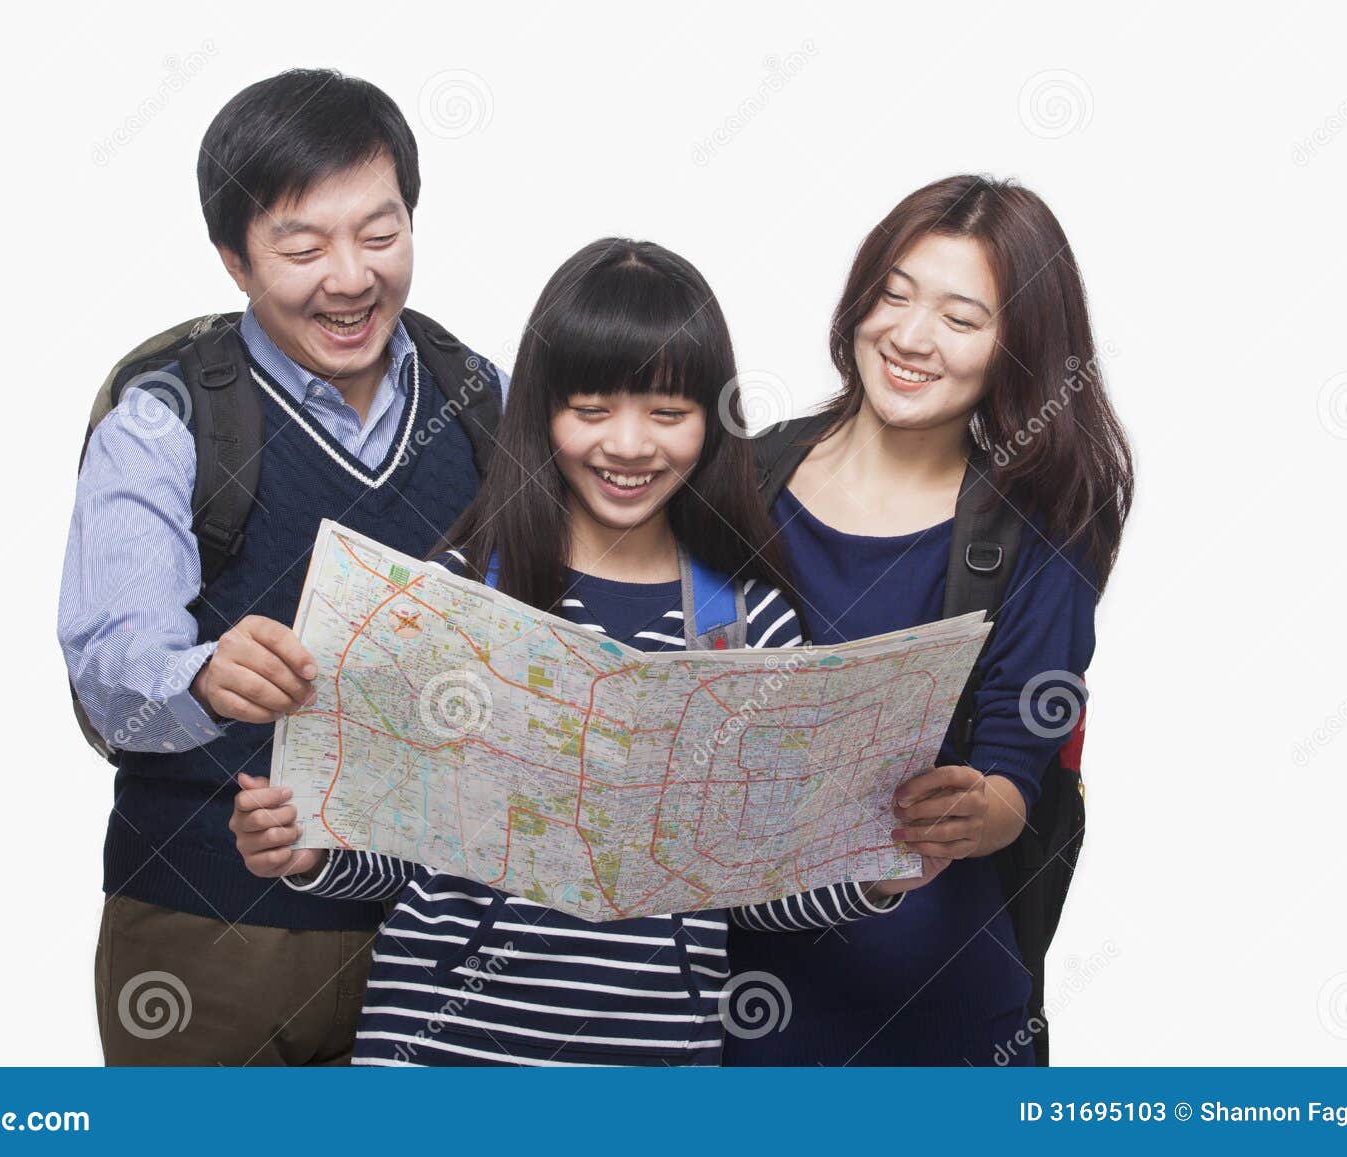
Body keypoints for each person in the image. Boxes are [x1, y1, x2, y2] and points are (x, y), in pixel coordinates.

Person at [228, 238, 945, 1066]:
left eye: (669, 414)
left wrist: (875, 874)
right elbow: (395, 858)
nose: (630, 445)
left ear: (714, 421)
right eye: (593, 409)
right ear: (541, 412)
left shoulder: (753, 631)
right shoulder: (452, 599)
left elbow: (751, 894)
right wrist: (311, 853)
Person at [57, 69, 508, 1065]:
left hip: (437, 934)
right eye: (302, 246)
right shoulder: (167, 414)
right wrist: (204, 672)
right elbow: (108, 658)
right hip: (208, 928)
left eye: (380, 235)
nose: (349, 278)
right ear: (233, 258)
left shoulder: (482, 398)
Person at [726, 175, 1133, 1066]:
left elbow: (1015, 781)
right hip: (723, 1009)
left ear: (1016, 348)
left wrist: (973, 809)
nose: (910, 338)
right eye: (894, 295)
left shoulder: (1035, 535)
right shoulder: (738, 479)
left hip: (938, 1021)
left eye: (961, 318)